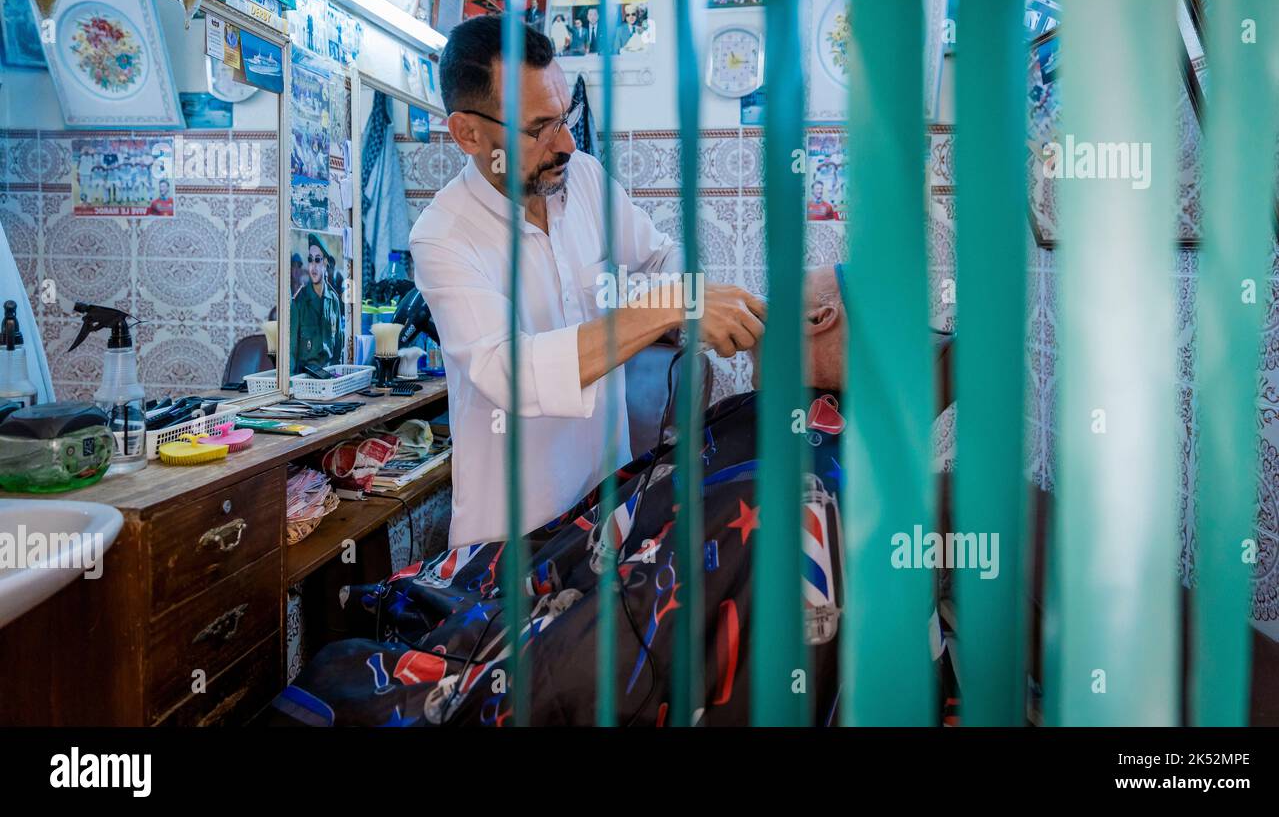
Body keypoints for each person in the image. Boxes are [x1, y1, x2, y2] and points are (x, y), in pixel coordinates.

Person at [268, 265, 960, 727]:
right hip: (569, 574)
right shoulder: (825, 448)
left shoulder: (789, 483)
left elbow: (616, 649)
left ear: (818, 320)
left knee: (343, 673)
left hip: (572, 636)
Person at [407, 15, 765, 550]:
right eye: (538, 128)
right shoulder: (442, 236)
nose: (568, 143)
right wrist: (666, 307)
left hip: (609, 498)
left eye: (565, 116)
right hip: (511, 532)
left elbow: (660, 254)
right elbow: (510, 372)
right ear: (468, 133)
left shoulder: (585, 182)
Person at [289, 233, 346, 373]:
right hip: (304, 378)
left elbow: (338, 346)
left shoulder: (333, 301)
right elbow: (291, 350)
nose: (313, 267)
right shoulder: (299, 302)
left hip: (329, 377)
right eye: (310, 260)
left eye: (317, 260)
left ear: (326, 264)